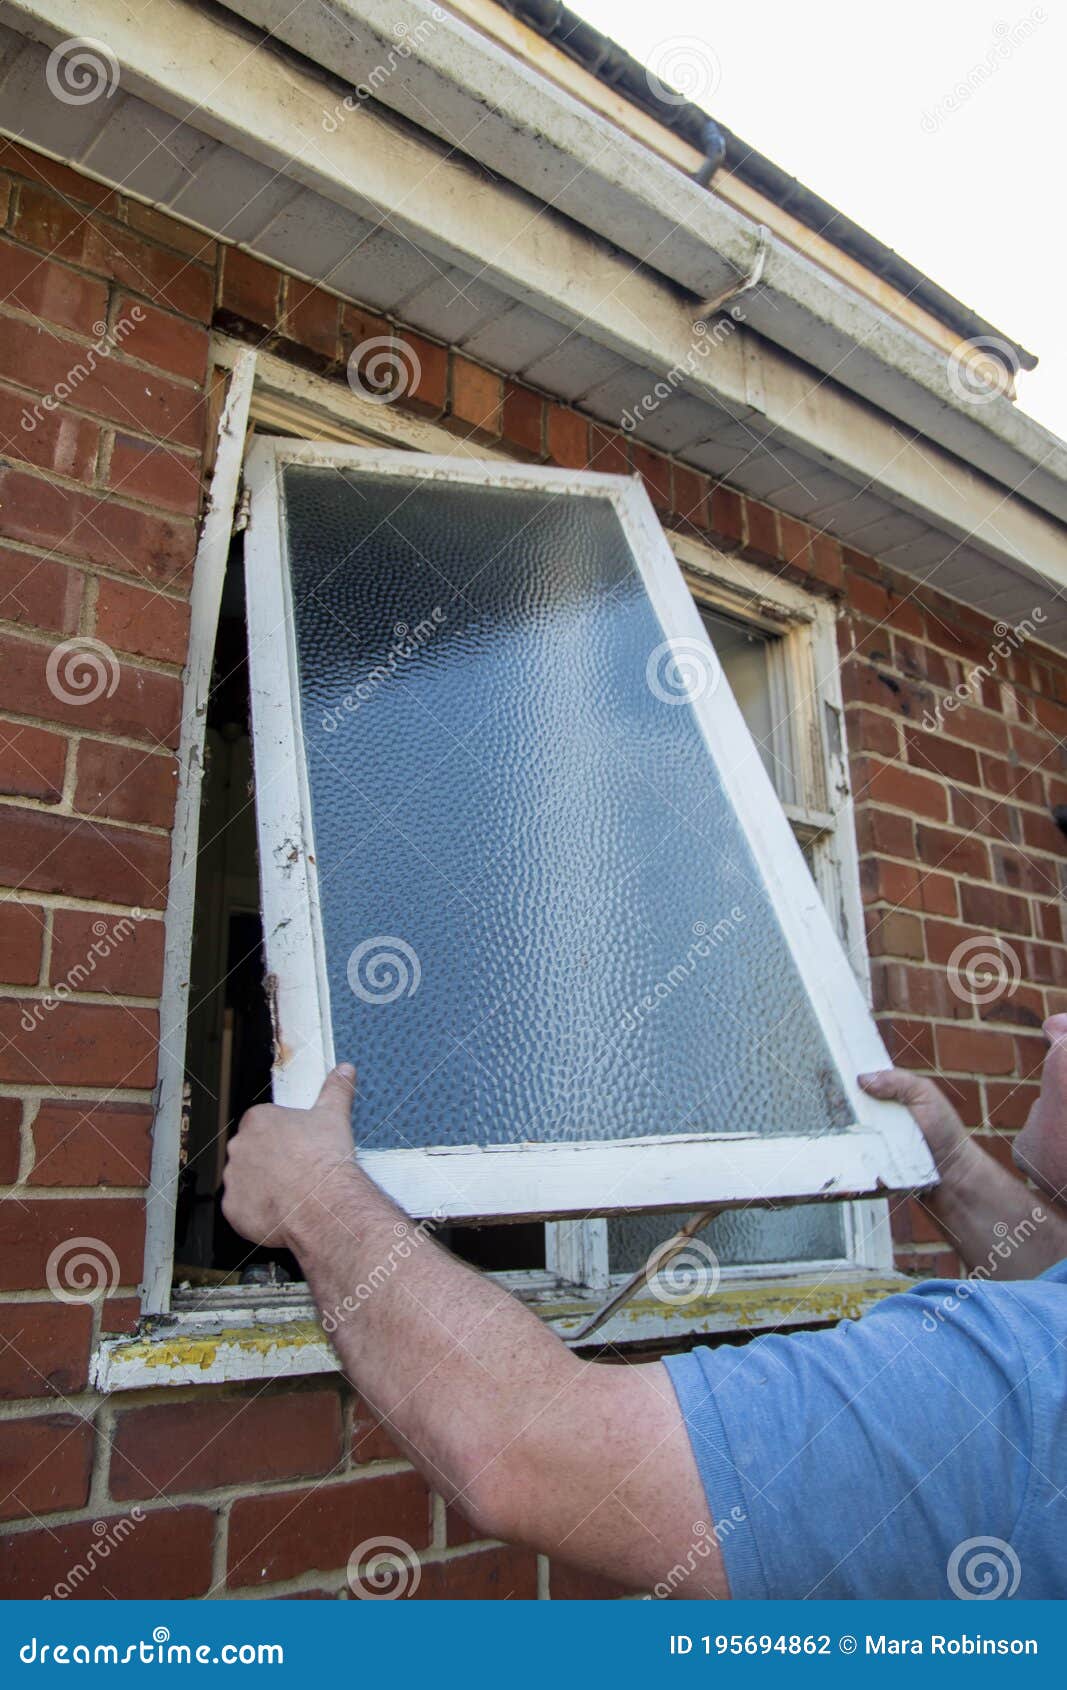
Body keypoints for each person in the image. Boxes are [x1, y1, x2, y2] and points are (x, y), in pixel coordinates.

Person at [221, 1018, 1067, 1599]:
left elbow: (533, 1452)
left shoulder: (1010, 1387)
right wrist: (948, 1168)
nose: (1052, 1030)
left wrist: (315, 1196)